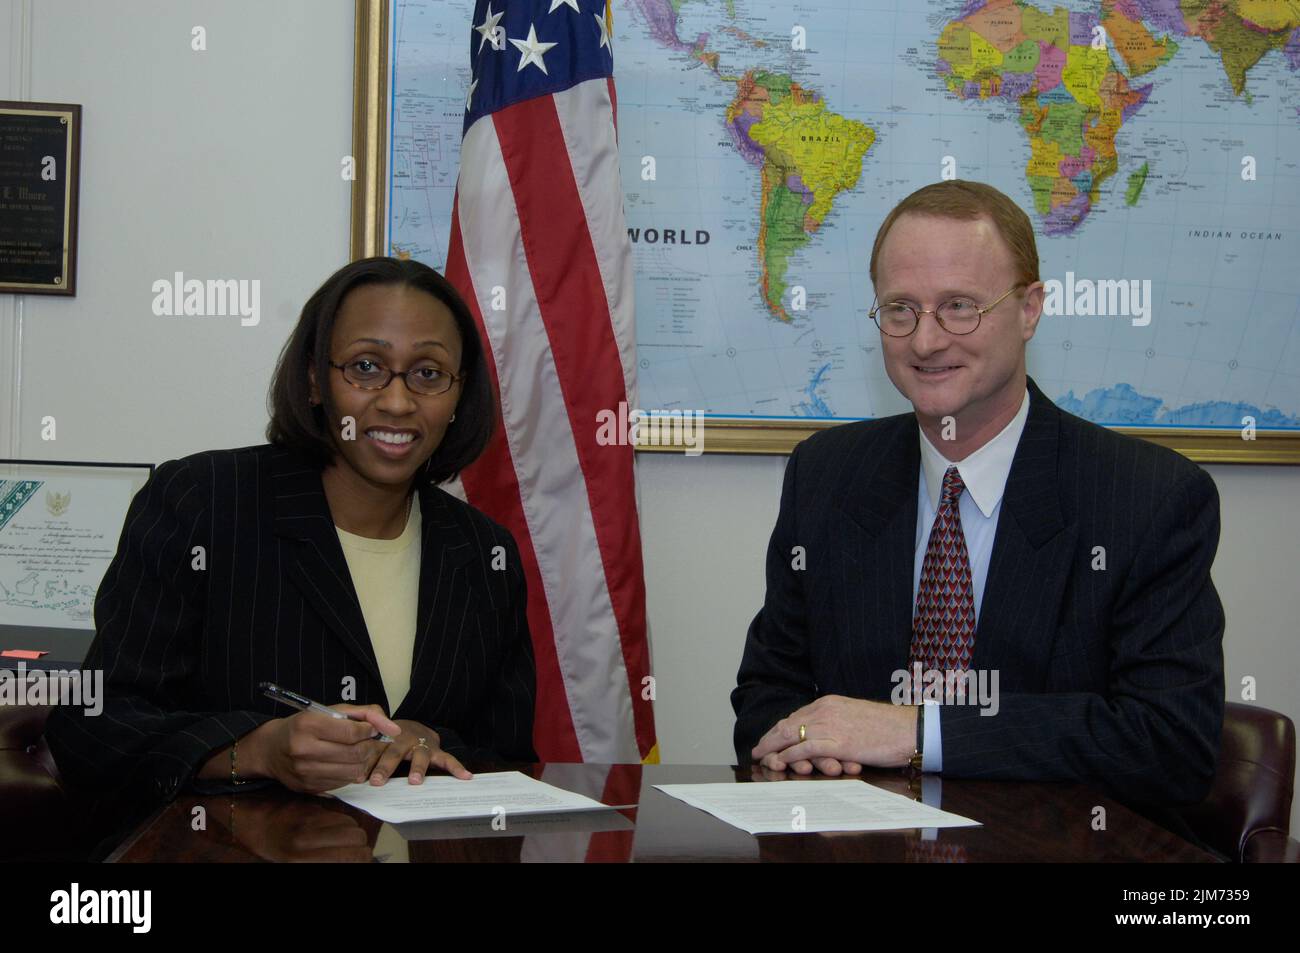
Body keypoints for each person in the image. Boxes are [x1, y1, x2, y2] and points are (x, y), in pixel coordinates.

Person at [732, 181, 1225, 813]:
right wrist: (813, 742)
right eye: (900, 309)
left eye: (960, 306)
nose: (926, 341)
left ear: (1029, 309)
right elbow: (767, 694)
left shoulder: (1148, 499)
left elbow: (1168, 745)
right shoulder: (827, 475)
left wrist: (916, 733)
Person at [47, 257, 537, 841]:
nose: (399, 402)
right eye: (366, 367)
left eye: (429, 373)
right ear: (313, 379)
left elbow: (508, 757)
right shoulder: (203, 504)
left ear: (459, 395)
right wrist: (254, 751)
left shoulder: (485, 554)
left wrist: (430, 742)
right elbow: (94, 725)